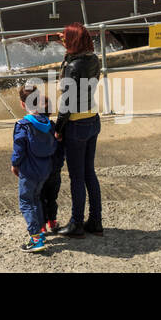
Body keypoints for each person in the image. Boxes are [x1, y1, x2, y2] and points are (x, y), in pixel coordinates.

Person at [53, 23, 103, 237]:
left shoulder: (73, 67)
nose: (63, 41)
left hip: (76, 124)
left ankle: (76, 223)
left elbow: (67, 102)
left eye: (66, 39)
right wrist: (66, 42)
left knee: (77, 177)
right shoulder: (93, 59)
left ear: (73, 42)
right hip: (92, 119)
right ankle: (95, 221)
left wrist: (58, 128)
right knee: (89, 173)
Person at [11, 82, 57, 252]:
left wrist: (15, 164)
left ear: (23, 104)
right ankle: (40, 230)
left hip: (29, 171)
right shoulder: (48, 123)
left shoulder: (23, 125)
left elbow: (19, 148)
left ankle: (36, 238)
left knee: (25, 201)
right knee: (36, 198)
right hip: (45, 169)